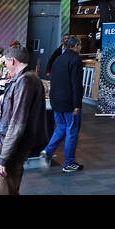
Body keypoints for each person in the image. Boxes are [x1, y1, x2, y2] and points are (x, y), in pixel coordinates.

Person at [0, 46, 48, 195]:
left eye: (6, 63)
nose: (6, 66)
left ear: (12, 61)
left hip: (15, 148)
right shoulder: (29, 78)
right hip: (16, 146)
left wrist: (3, 158)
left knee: (7, 189)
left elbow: (16, 124)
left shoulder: (24, 81)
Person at [42, 35, 85, 172]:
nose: (81, 48)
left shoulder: (58, 59)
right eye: (80, 46)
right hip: (69, 102)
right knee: (72, 131)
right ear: (76, 46)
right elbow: (76, 84)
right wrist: (77, 104)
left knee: (60, 128)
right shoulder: (76, 60)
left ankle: (47, 152)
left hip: (56, 101)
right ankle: (69, 163)